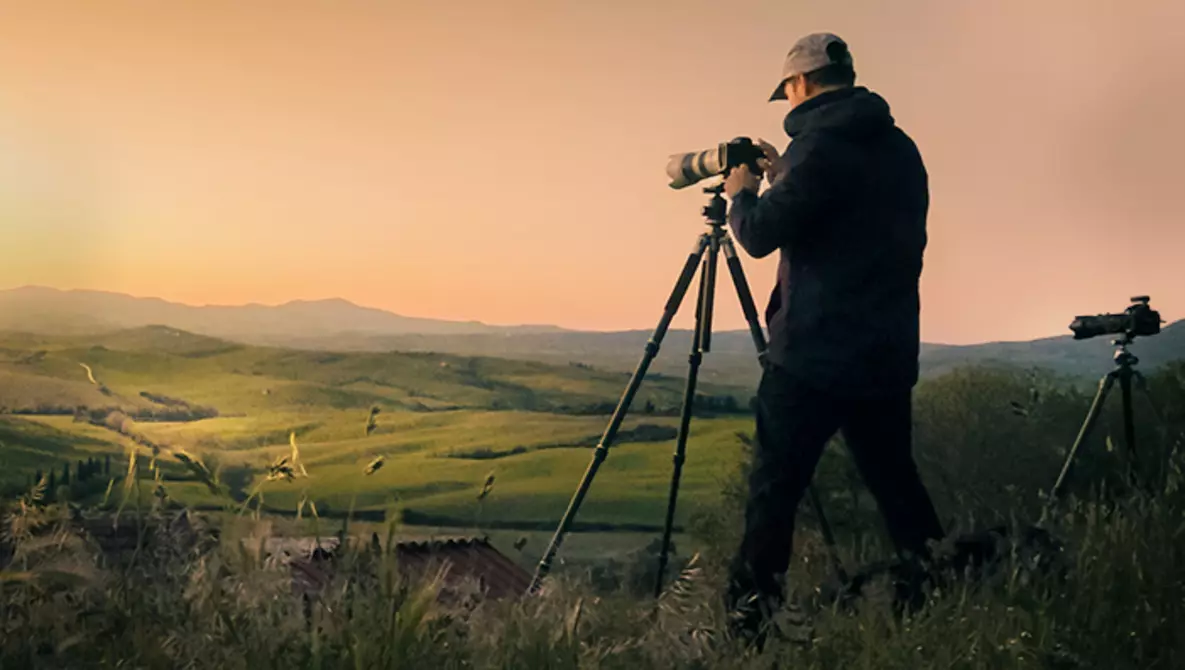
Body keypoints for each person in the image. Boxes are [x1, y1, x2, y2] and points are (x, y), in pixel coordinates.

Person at [721, 32, 946, 642]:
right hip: (886, 352)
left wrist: (743, 194)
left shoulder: (817, 150)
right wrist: (784, 173)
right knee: (897, 484)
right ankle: (938, 599)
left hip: (813, 357)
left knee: (774, 492)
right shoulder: (901, 148)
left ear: (798, 85)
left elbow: (762, 233)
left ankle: (749, 624)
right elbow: (845, 218)